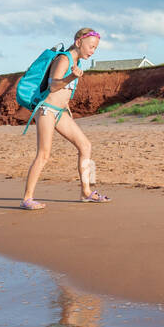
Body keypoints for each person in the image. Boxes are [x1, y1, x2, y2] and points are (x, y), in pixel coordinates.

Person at [21, 27, 111, 209]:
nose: (93, 51)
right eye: (91, 47)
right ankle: (27, 199)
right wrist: (71, 76)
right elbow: (53, 86)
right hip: (47, 111)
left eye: (95, 48)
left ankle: (86, 192)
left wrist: (67, 110)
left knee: (85, 146)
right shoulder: (64, 59)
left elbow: (64, 94)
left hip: (60, 112)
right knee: (43, 154)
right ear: (78, 42)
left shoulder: (77, 62)